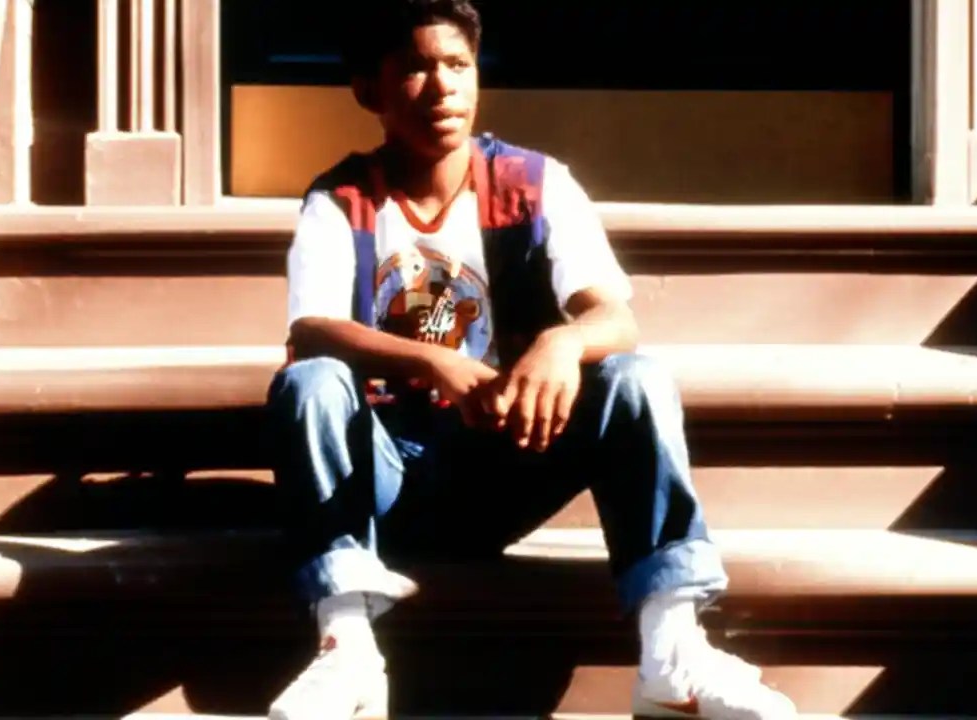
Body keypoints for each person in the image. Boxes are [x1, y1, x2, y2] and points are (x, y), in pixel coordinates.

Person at [265, 1, 797, 717]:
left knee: (633, 381)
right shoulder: (343, 199)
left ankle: (672, 652)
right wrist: (432, 362)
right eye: (416, 68)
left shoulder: (534, 183)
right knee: (310, 383)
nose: (442, 87)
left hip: (506, 460)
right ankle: (347, 647)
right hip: (381, 476)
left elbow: (616, 317)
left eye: (457, 65)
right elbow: (313, 328)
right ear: (370, 91)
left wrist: (563, 341)